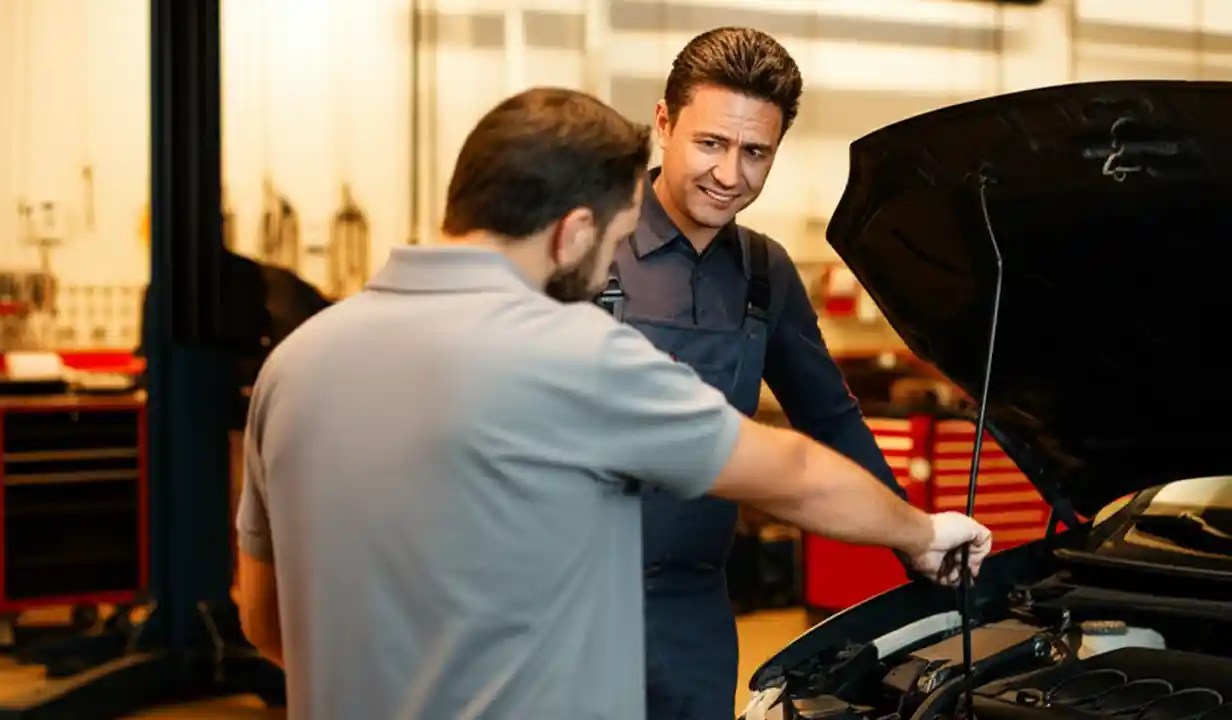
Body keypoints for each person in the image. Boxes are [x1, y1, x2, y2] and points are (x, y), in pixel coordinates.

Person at [234, 86, 991, 720]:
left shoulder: (294, 364)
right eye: (616, 239)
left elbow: (264, 619)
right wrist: (920, 531)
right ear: (573, 233)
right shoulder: (572, 354)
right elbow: (791, 468)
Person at [599, 27, 915, 718]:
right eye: (710, 143)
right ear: (663, 124)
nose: (730, 174)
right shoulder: (591, 245)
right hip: (570, 601)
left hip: (694, 611)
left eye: (755, 152)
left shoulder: (765, 273)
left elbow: (829, 419)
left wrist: (911, 537)